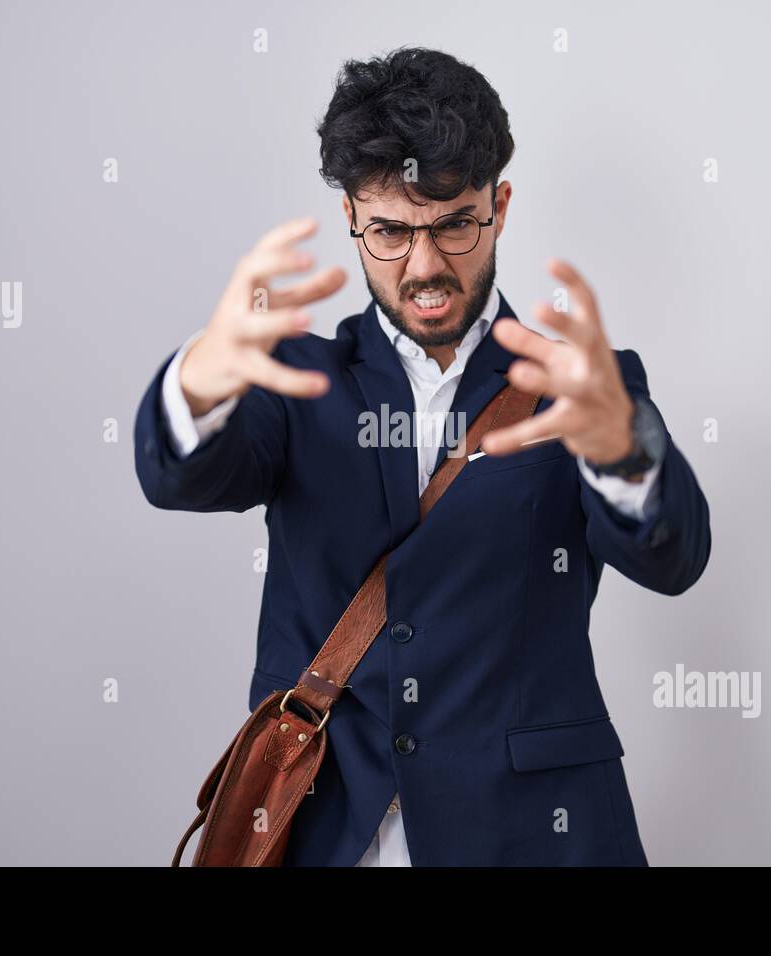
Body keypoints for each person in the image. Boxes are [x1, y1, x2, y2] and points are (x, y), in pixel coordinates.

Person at [135, 47, 711, 866]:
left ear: (500, 206)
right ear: (349, 218)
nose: (427, 266)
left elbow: (677, 558)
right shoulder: (289, 381)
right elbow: (175, 477)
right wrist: (195, 383)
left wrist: (625, 450)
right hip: (321, 832)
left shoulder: (582, 387)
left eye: (454, 224)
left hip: (536, 836)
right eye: (391, 232)